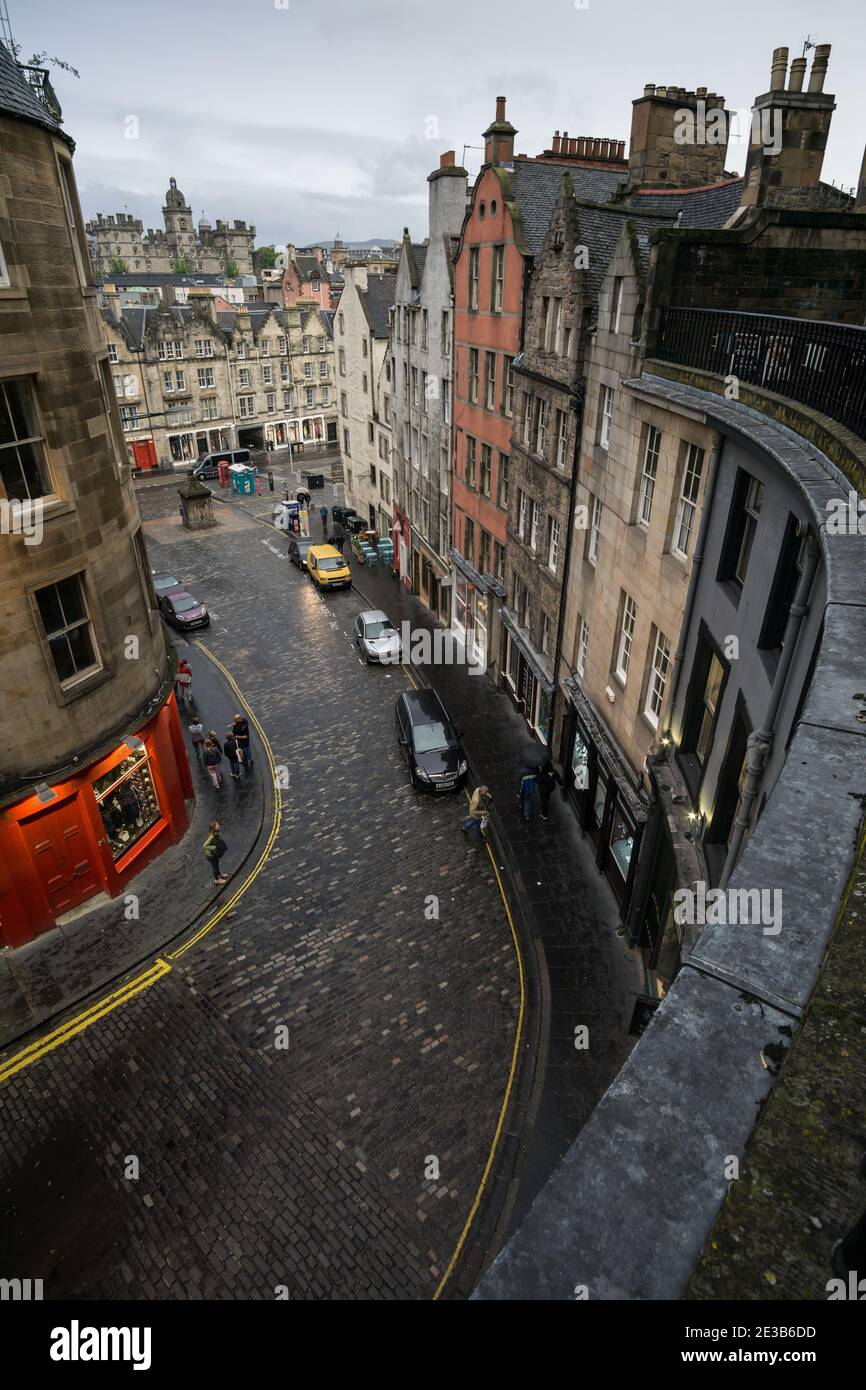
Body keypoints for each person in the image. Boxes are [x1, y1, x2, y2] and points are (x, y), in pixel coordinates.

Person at [203, 821, 228, 886]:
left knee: (217, 864)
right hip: (210, 855)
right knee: (215, 867)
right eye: (217, 825)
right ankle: (217, 880)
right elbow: (204, 846)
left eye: (218, 824)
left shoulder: (216, 833)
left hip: (214, 854)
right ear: (213, 828)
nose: (218, 825)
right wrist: (214, 847)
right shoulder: (212, 836)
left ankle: (220, 874)